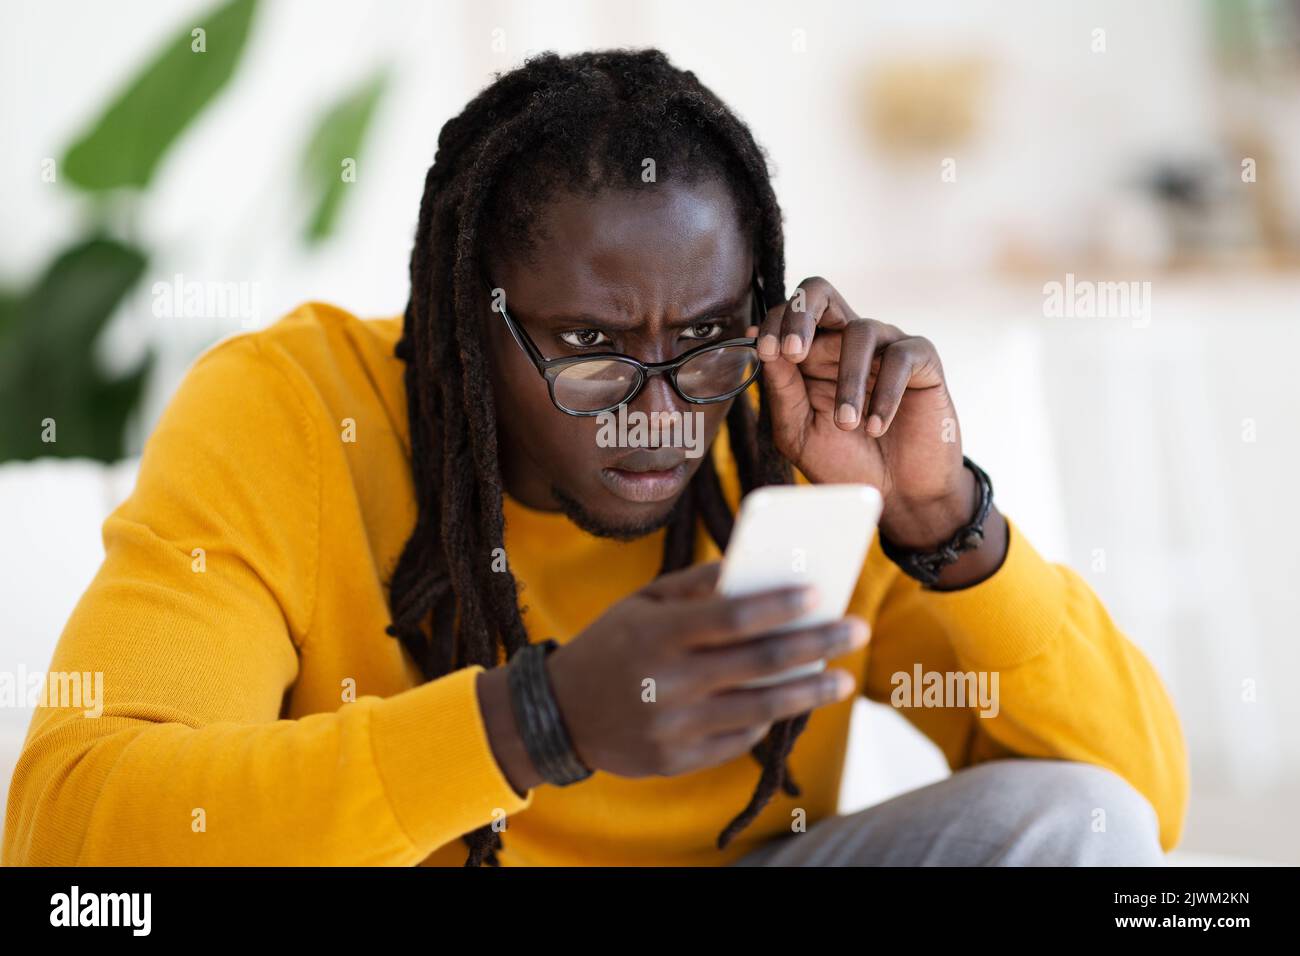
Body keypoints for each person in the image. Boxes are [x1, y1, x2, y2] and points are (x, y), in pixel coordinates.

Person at [2, 48, 1186, 867]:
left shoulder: (795, 442)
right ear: (470, 319)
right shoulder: (294, 407)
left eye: (707, 337)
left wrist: (939, 517)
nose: (661, 413)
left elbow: (1134, 814)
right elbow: (70, 841)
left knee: (1072, 816)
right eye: (591, 346)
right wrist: (535, 721)